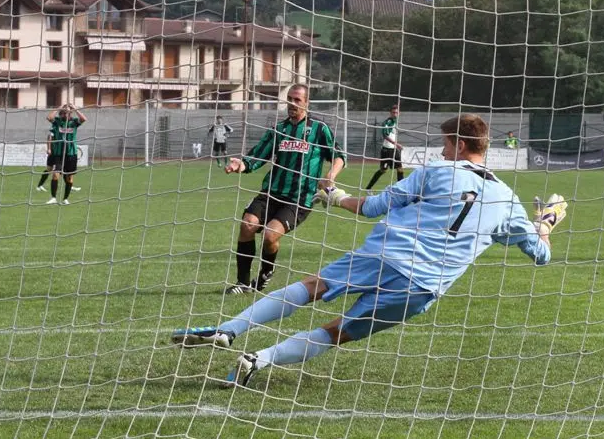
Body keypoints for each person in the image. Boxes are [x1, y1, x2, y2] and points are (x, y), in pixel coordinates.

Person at [171, 114, 568, 387]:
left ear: (461, 144)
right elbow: (540, 255)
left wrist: (336, 194)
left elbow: (373, 207)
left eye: (446, 144)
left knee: (313, 288)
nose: (443, 151)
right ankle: (260, 360)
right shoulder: (508, 201)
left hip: (385, 254)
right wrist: (545, 224)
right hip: (424, 285)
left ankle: (229, 329)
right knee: (336, 332)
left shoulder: (437, 171)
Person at [223, 83, 346, 295]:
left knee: (270, 235)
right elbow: (256, 157)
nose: (292, 103)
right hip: (271, 192)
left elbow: (339, 156)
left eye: (297, 99)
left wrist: (330, 175)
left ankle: (265, 272)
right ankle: (242, 283)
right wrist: (240, 165)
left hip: (299, 198)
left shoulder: (318, 129)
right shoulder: (279, 130)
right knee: (247, 225)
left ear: (306, 103)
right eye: (289, 98)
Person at [45, 103, 86, 205]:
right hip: (59, 154)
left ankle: (65, 199)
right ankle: (53, 197)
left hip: (71, 154)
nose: (65, 114)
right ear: (61, 114)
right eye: (63, 113)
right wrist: (59, 107)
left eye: (67, 112)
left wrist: (75, 108)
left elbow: (84, 119)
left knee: (69, 178)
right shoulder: (57, 122)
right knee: (55, 175)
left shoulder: (74, 122)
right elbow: (49, 117)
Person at [365, 104, 403, 191]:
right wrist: (396, 144)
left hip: (394, 150)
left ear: (399, 113)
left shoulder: (395, 122)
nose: (395, 114)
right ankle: (368, 188)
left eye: (396, 113)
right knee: (383, 170)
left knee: (400, 169)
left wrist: (396, 146)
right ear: (390, 113)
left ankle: (401, 189)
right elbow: (385, 135)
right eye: (393, 112)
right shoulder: (388, 122)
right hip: (387, 150)